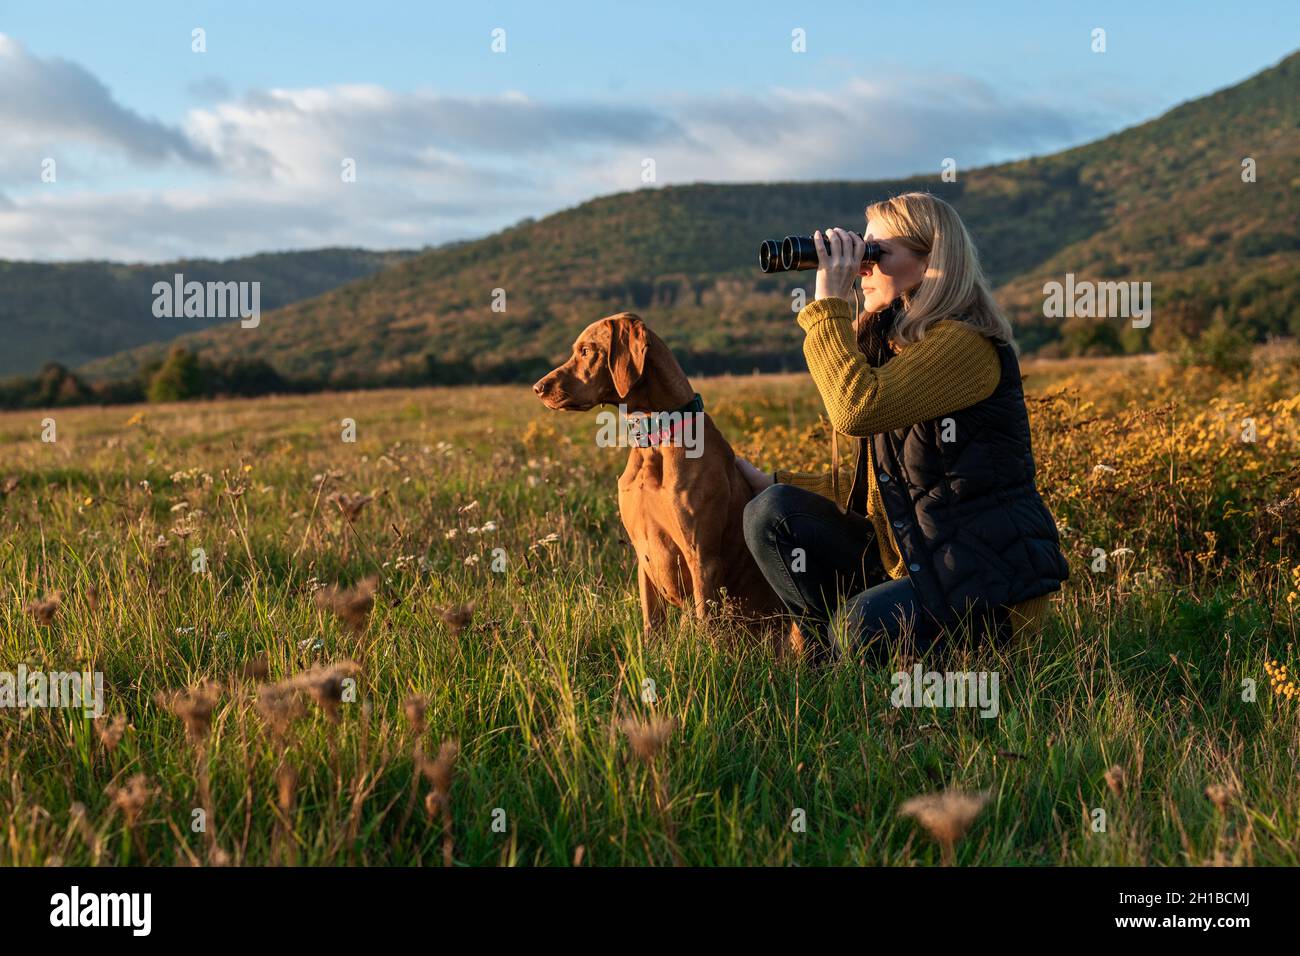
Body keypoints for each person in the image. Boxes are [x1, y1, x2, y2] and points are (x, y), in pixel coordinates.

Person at [736, 192, 1069, 662]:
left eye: (875, 254)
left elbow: (856, 409)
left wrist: (827, 302)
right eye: (860, 254)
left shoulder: (963, 345)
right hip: (919, 565)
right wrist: (773, 482)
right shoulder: (891, 344)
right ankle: (824, 664)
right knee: (772, 511)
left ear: (932, 260)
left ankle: (861, 650)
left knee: (859, 628)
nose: (861, 268)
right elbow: (885, 491)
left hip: (984, 586)